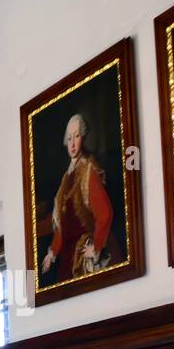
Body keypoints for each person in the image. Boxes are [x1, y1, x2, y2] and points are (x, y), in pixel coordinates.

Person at [40, 113, 115, 281]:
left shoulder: (89, 171)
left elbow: (105, 213)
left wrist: (95, 246)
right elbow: (62, 224)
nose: (72, 143)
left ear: (83, 137)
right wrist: (52, 253)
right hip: (66, 256)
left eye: (77, 136)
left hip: (82, 255)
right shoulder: (65, 179)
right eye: (69, 138)